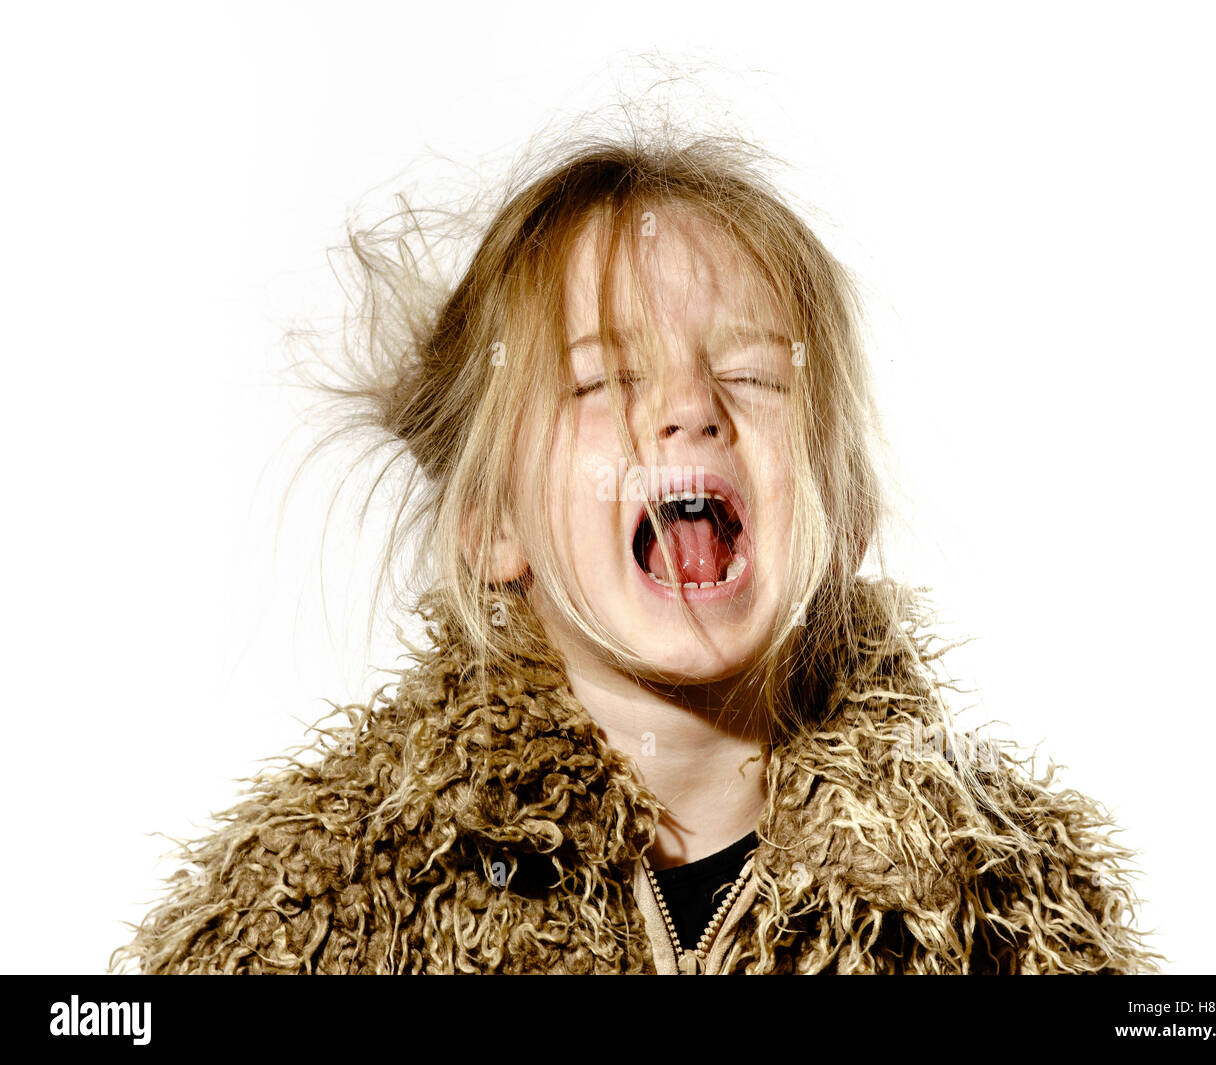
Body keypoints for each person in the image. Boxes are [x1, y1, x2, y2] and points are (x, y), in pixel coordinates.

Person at [109, 132, 1157, 975]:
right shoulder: (316, 911)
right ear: (490, 523)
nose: (691, 411)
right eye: (603, 382)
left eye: (753, 377)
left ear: (841, 515)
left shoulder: (1004, 914)